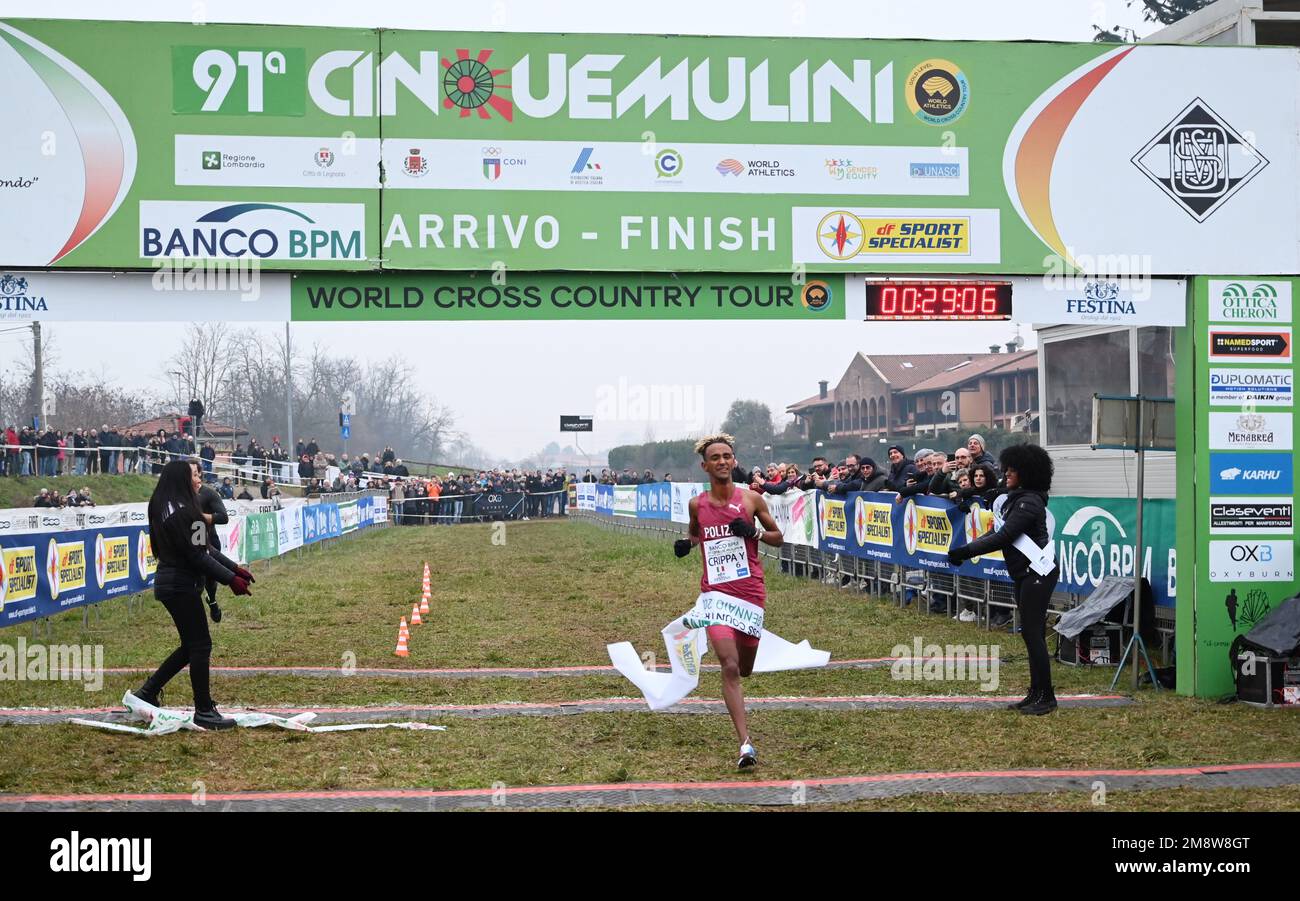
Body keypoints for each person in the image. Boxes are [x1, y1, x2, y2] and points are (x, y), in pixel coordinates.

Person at [673, 433, 782, 769]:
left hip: (750, 593)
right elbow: (696, 531)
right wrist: (687, 544)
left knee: (745, 667)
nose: (722, 461)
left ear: (734, 461)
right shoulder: (697, 504)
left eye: (727, 456)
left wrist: (755, 533)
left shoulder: (751, 500)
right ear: (705, 465)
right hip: (715, 595)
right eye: (715, 457)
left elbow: (778, 538)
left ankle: (742, 669)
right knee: (729, 665)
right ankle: (745, 745)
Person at [133, 460, 255, 730]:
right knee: (200, 645)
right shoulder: (185, 512)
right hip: (180, 585)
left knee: (191, 646)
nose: (198, 480)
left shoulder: (164, 507)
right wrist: (230, 580)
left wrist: (234, 568)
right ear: (181, 479)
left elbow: (207, 549)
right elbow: (198, 555)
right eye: (194, 475)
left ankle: (148, 692)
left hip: (171, 583)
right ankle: (204, 710)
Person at [946, 444, 1059, 715]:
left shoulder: (1028, 501)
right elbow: (997, 531)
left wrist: (966, 550)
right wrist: (966, 548)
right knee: (1030, 635)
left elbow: (1004, 536)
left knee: (1034, 635)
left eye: (1012, 469)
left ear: (1027, 473)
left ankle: (1046, 696)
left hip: (1037, 574)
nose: (1006, 473)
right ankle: (1035, 692)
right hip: (1024, 573)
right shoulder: (1017, 499)